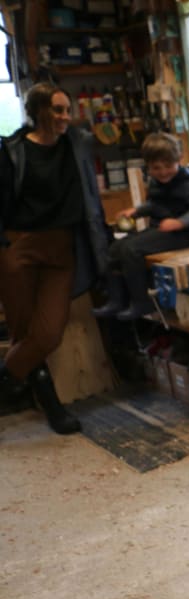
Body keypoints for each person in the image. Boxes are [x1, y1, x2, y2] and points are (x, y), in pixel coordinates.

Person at [0, 82, 111, 434]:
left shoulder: (75, 145)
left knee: (48, 332)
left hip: (61, 249)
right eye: (58, 110)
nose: (66, 117)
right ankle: (52, 406)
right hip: (18, 247)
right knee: (23, 333)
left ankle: (6, 384)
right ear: (39, 112)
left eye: (67, 110)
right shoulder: (12, 151)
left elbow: (92, 192)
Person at [92, 132, 189, 320]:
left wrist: (179, 222)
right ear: (147, 166)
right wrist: (136, 212)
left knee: (131, 249)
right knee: (114, 248)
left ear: (179, 159)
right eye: (156, 168)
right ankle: (117, 300)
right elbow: (155, 205)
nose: (163, 172)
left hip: (182, 235)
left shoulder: (185, 183)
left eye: (168, 166)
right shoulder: (157, 182)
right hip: (160, 230)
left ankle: (142, 303)